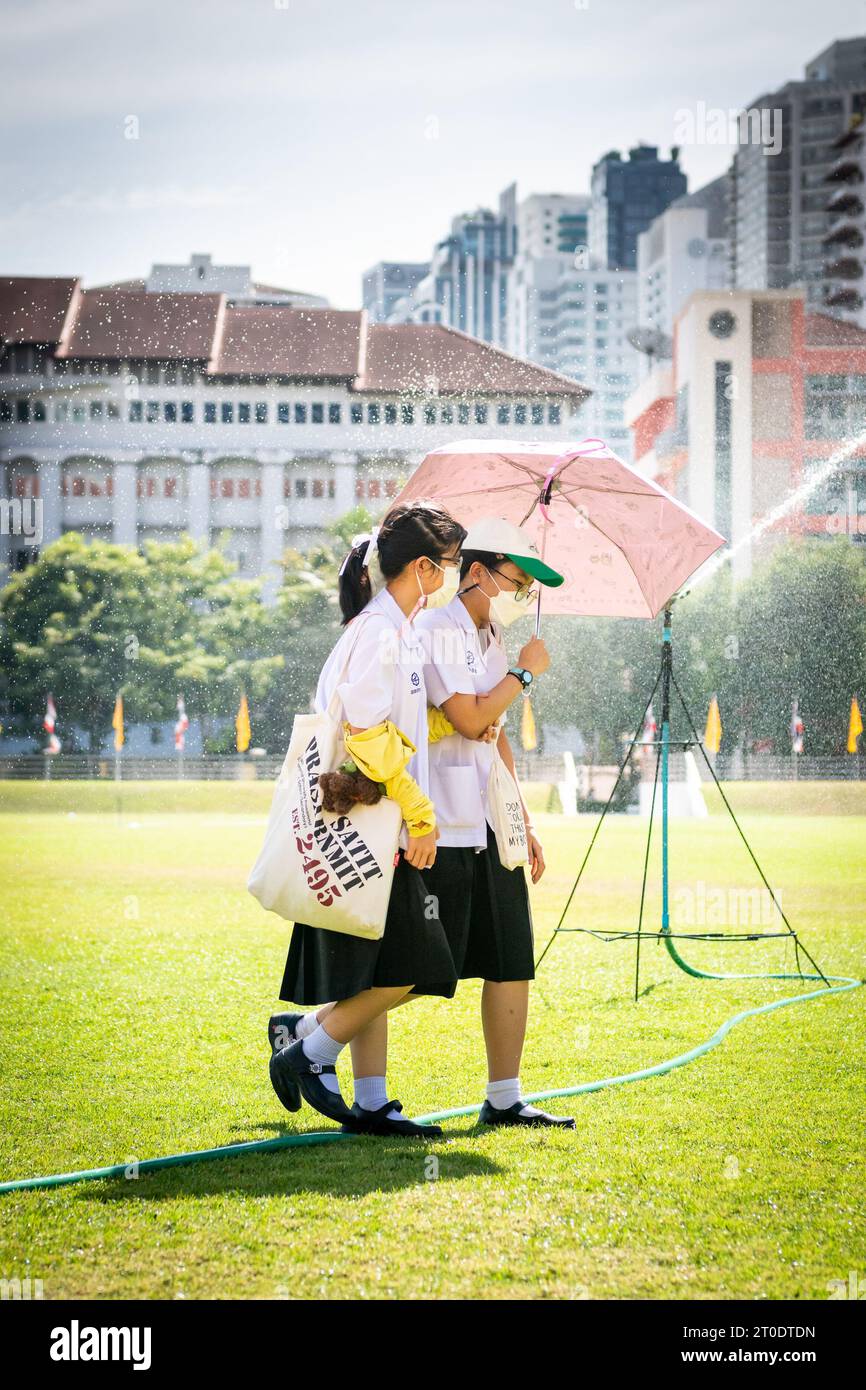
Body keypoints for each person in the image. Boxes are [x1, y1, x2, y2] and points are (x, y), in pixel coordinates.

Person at [268, 501, 466, 1138]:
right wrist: (419, 812)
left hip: (369, 828)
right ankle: (309, 1050)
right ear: (422, 568)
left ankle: (370, 1101)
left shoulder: (393, 630)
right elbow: (369, 736)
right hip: (372, 828)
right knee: (416, 970)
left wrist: (443, 725)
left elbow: (391, 723)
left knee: (380, 971)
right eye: (453, 565)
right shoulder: (381, 633)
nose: (455, 576)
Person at [416, 517, 576, 1128]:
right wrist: (525, 675)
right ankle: (315, 1034)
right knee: (418, 962)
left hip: (488, 814)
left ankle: (504, 1098)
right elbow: (467, 719)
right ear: (477, 572)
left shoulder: (490, 643)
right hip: (440, 817)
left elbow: (495, 732)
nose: (521, 598)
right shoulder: (436, 630)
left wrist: (522, 817)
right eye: (517, 582)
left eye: (531, 590)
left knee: (512, 953)